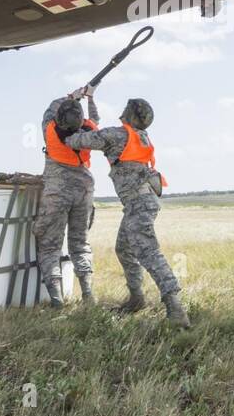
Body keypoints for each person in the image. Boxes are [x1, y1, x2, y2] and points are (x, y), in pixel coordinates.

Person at [65, 97, 190, 328]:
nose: (122, 112)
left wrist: (67, 126)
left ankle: (176, 309)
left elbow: (77, 141)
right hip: (142, 202)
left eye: (126, 109)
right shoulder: (141, 137)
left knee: (149, 252)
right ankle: (136, 298)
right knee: (124, 249)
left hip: (138, 204)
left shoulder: (118, 135)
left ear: (131, 116)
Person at [34, 89, 99, 308]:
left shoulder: (50, 130)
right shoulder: (89, 133)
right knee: (80, 244)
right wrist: (89, 99)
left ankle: (56, 299)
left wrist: (74, 96)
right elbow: (95, 120)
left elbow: (51, 107)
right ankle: (88, 294)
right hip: (83, 190)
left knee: (50, 245)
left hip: (57, 192)